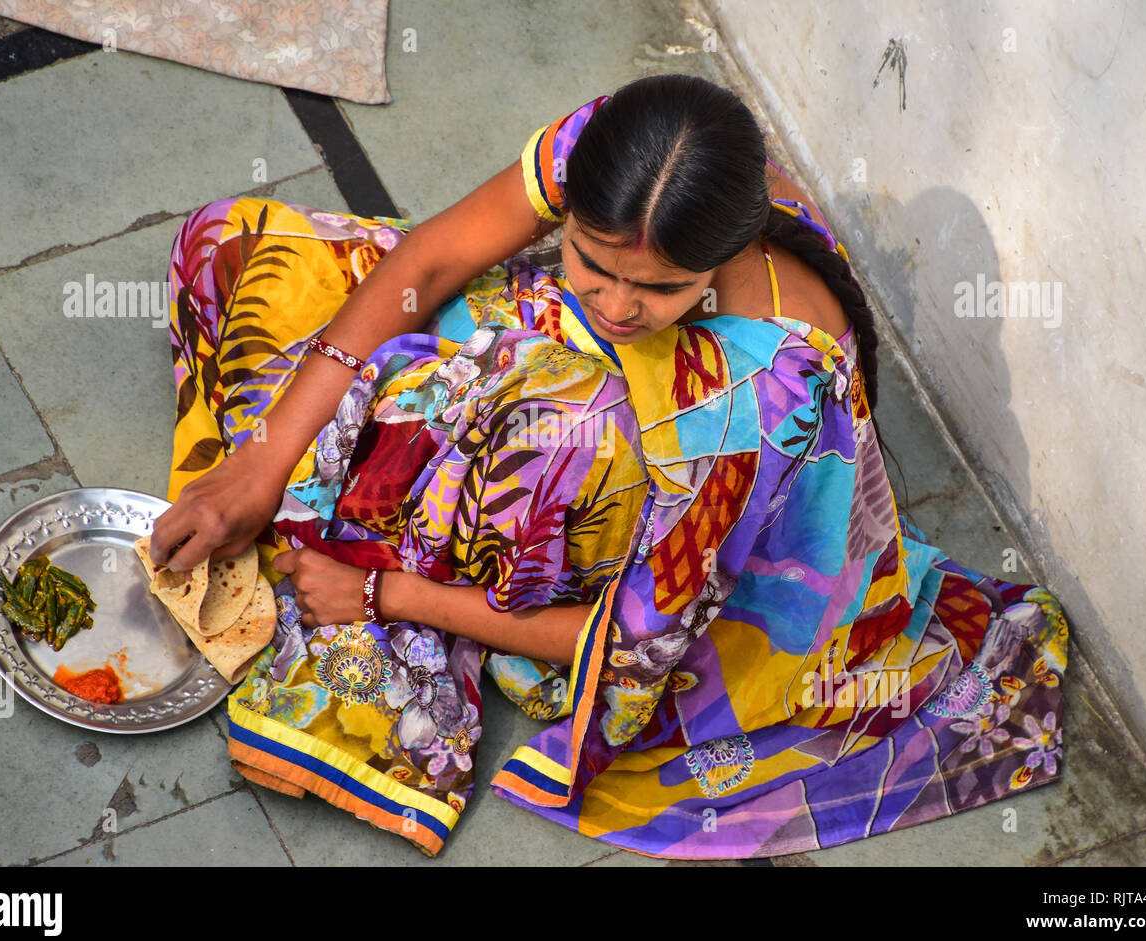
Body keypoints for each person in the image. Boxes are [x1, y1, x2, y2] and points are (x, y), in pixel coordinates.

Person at [152, 73, 1069, 859]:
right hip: (573, 372)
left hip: (659, 474)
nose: (623, 303)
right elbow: (428, 264)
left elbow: (631, 644)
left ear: (730, 251)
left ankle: (419, 524)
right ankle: (374, 465)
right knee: (233, 245)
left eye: (660, 287)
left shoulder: (761, 399)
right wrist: (266, 462)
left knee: (540, 454)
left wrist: (385, 599)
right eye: (592, 263)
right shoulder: (619, 149)